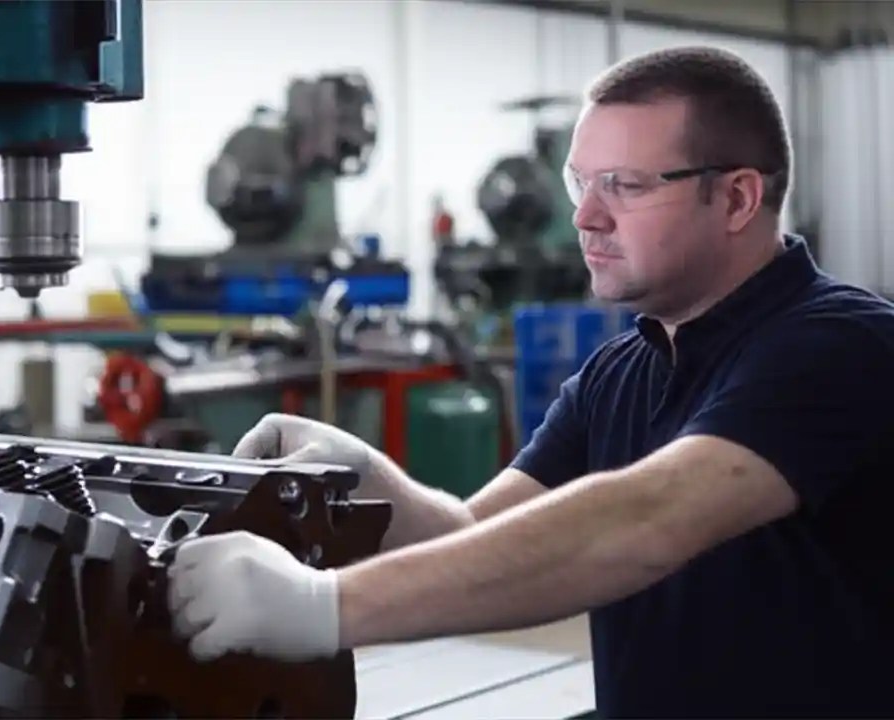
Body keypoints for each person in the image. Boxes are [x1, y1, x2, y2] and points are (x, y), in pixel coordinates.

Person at [166, 45, 894, 718]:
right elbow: (480, 536)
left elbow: (648, 521)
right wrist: (362, 477)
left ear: (737, 199)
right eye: (581, 183)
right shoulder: (619, 374)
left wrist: (322, 605)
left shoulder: (840, 344)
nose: (584, 216)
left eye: (625, 186)